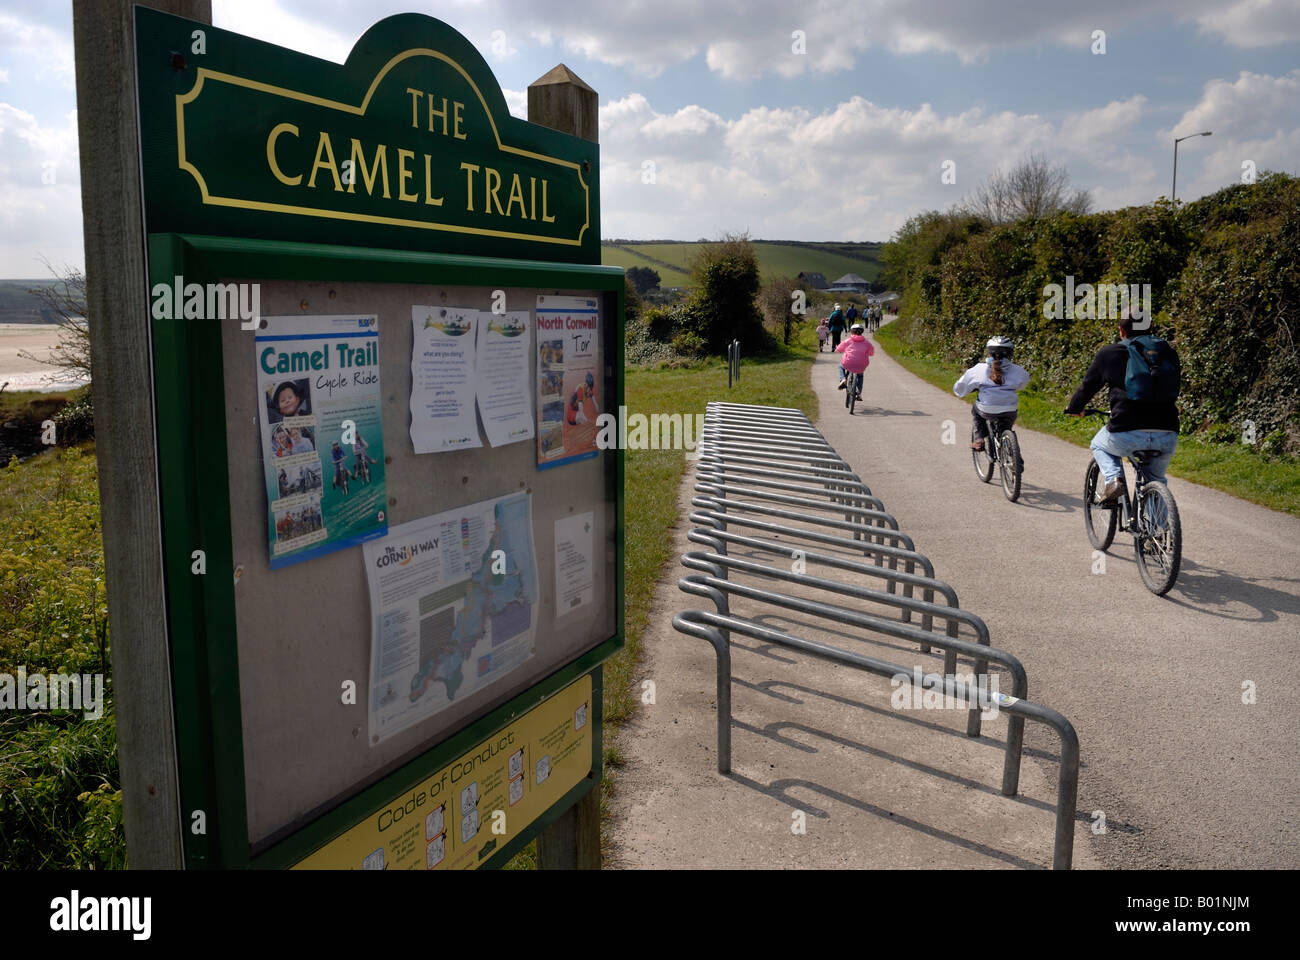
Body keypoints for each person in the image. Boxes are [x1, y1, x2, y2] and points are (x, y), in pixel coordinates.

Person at [1065, 312, 1181, 502]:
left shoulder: (1110, 353)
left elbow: (1088, 387)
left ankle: (1114, 480)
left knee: (1099, 445)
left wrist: (1074, 407)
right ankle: (1158, 529)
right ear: (1151, 329)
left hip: (1125, 430)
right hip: (1167, 432)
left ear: (1121, 331)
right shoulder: (1167, 352)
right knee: (1156, 478)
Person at [954, 336, 1030, 454]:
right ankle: (1010, 448)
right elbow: (1023, 385)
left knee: (976, 411)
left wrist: (961, 392)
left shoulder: (979, 369)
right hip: (1009, 409)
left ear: (989, 352)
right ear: (1010, 354)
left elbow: (960, 387)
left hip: (987, 409)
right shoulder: (1018, 370)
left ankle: (979, 440)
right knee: (1005, 428)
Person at [835, 322, 875, 399]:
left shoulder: (848, 341)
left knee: (841, 367)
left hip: (848, 362)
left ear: (851, 331)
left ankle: (843, 379)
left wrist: (839, 350)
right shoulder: (867, 342)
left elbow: (839, 348)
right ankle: (859, 392)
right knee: (860, 376)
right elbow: (871, 353)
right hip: (861, 364)